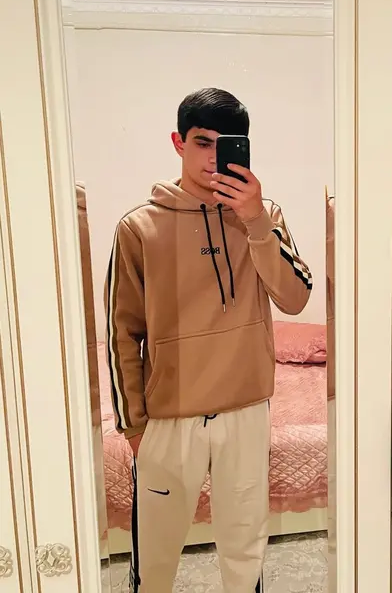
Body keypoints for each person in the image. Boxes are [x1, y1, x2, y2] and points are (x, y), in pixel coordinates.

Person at [105, 87, 312, 592]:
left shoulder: (264, 215)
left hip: (246, 410)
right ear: (178, 142)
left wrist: (255, 219)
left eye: (228, 144)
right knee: (154, 561)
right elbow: (121, 334)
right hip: (168, 419)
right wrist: (134, 428)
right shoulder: (138, 228)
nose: (214, 157)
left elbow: (295, 299)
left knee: (245, 554)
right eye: (202, 142)